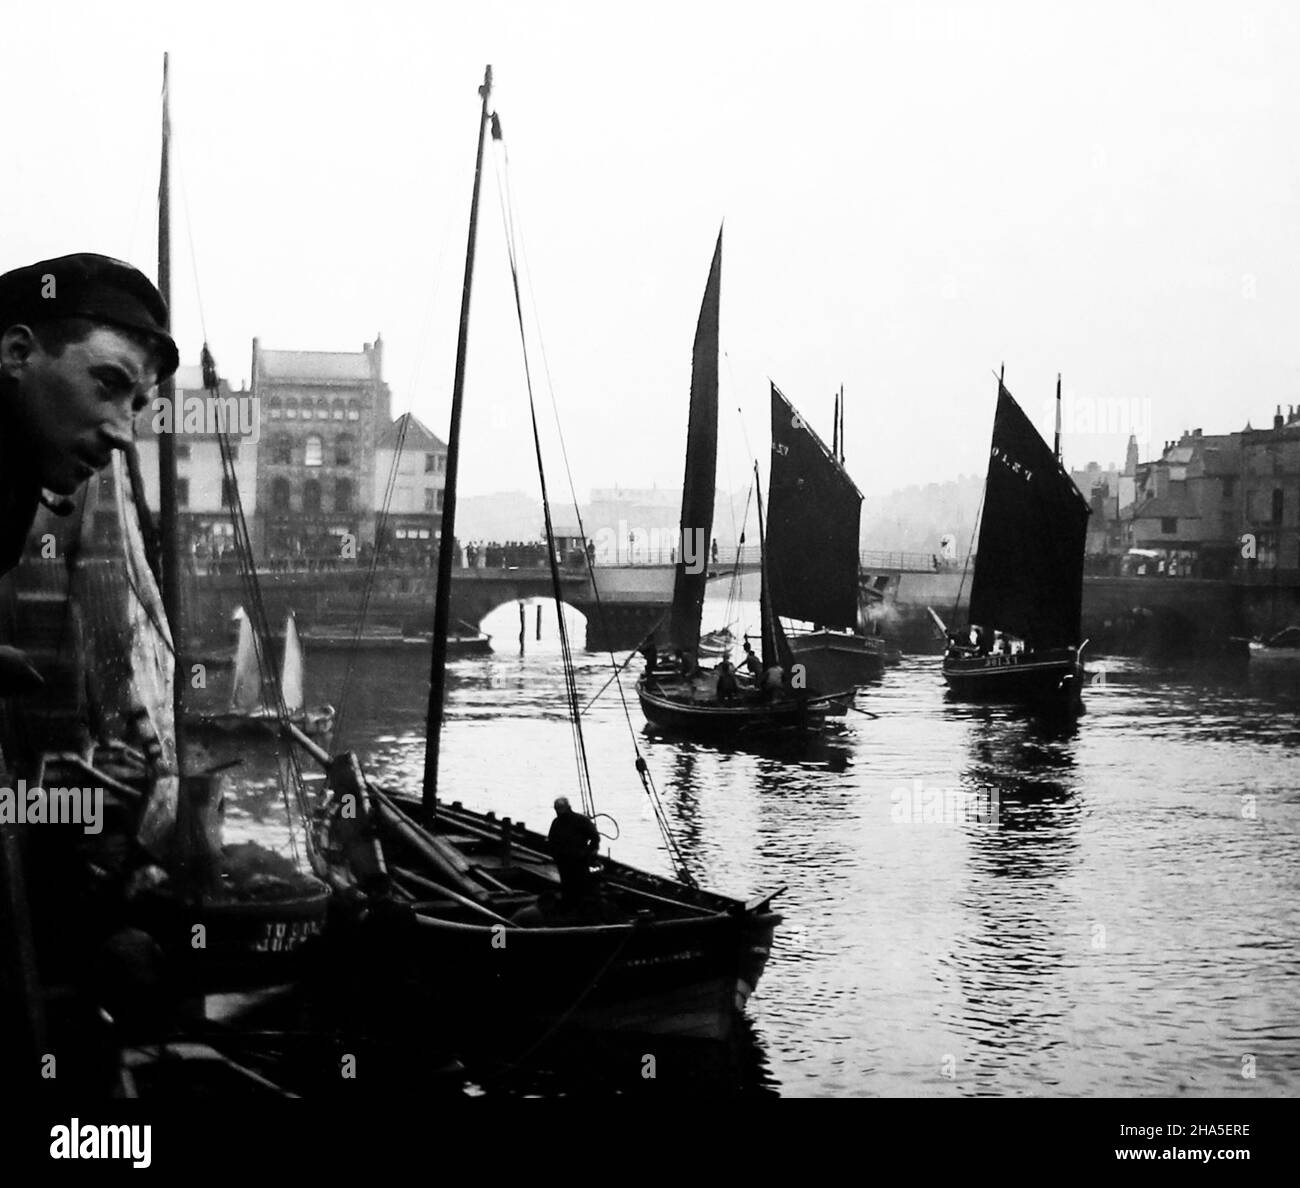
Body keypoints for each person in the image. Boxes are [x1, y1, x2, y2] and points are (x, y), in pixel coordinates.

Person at [548, 796, 600, 904]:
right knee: (567, 885)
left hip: (579, 860)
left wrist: (588, 853)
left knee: (580, 885)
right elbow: (551, 841)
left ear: (568, 808)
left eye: (560, 809)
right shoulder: (556, 822)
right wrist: (556, 856)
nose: (559, 812)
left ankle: (581, 905)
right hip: (564, 861)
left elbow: (595, 838)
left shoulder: (582, 820)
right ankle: (569, 904)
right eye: (557, 809)